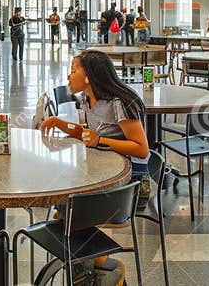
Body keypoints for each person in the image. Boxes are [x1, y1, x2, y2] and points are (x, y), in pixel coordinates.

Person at [40, 50, 151, 206]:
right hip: (106, 172)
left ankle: (69, 223)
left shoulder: (118, 103)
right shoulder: (87, 99)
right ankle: (68, 222)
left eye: (73, 71)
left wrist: (99, 141)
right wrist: (60, 123)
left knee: (66, 197)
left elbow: (141, 149)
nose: (68, 77)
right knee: (62, 186)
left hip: (129, 185)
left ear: (89, 77)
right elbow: (88, 135)